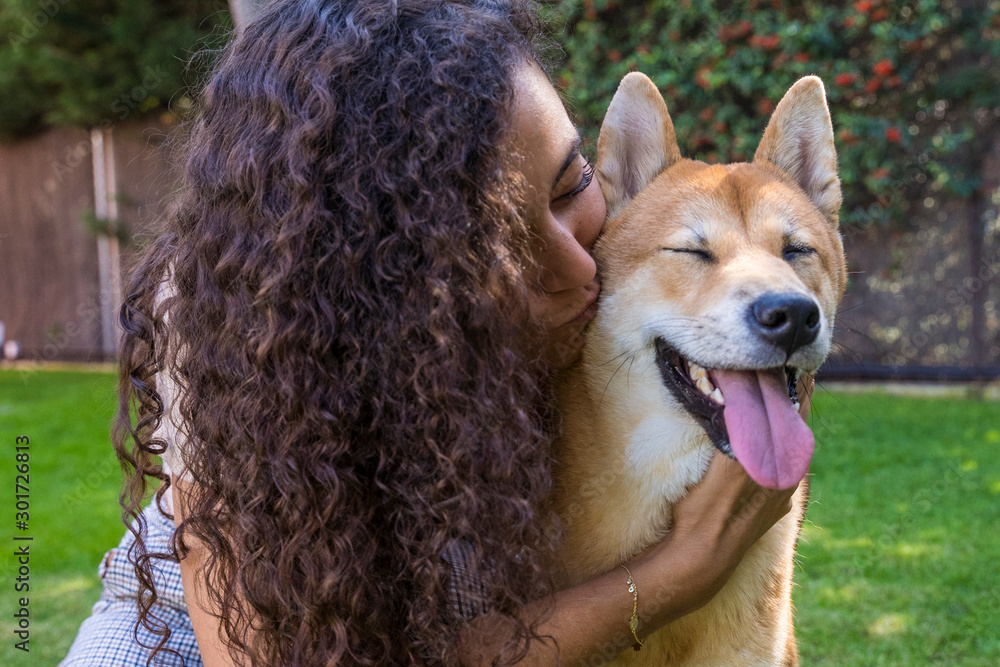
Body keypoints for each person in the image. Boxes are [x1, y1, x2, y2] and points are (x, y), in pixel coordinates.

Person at [62, 0, 810, 665]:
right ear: (374, 282)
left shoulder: (564, 213)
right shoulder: (243, 333)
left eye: (572, 182)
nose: (579, 264)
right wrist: (685, 567)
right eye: (495, 248)